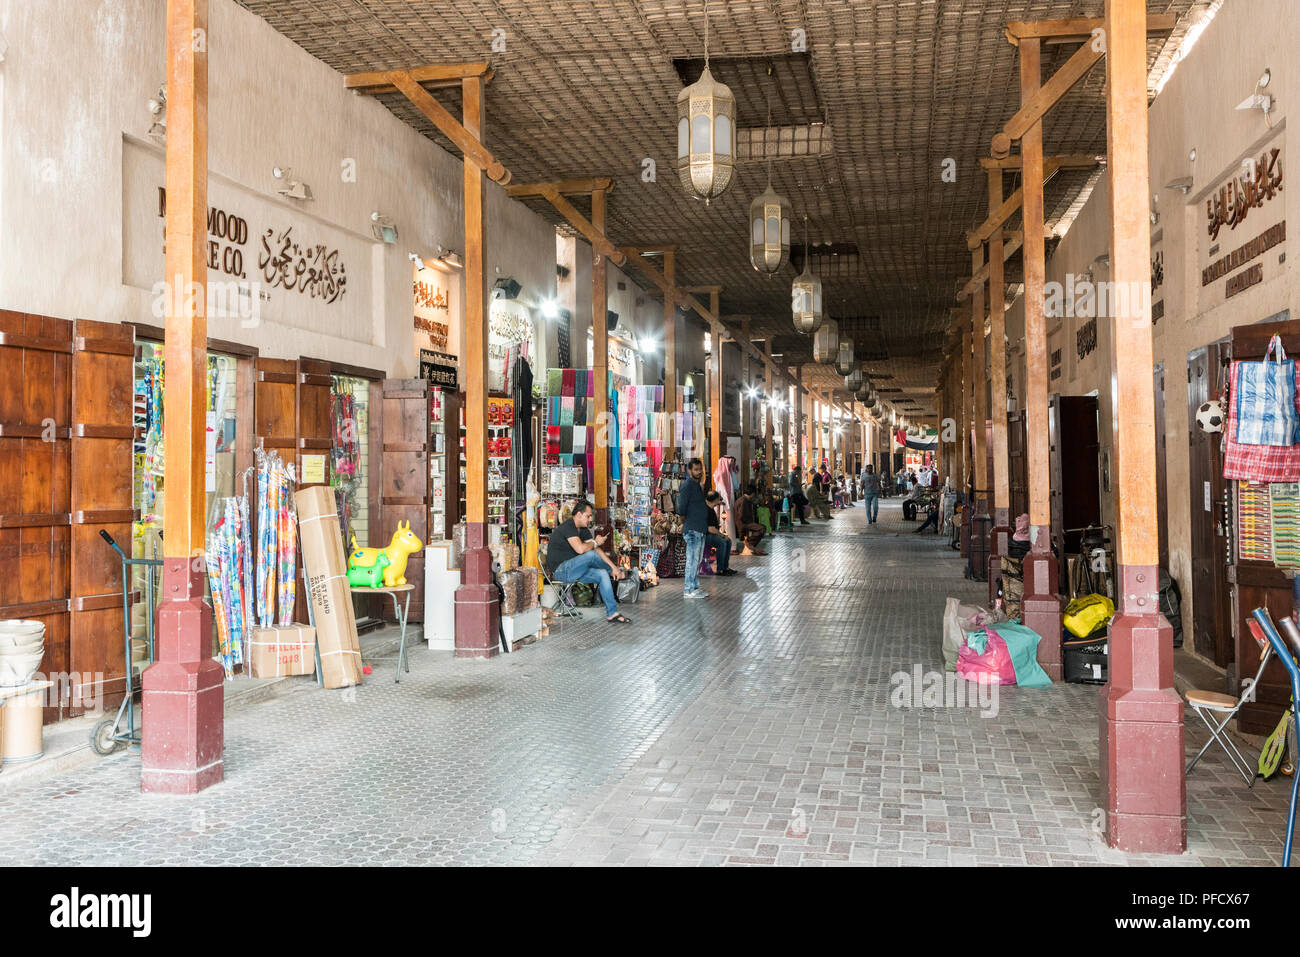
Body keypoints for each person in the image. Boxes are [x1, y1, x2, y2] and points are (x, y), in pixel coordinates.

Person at [546, 499, 630, 624]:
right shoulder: (568, 526)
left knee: (602, 574)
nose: (590, 519)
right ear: (579, 514)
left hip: (575, 570)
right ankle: (613, 572)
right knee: (590, 555)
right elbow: (581, 549)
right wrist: (595, 542)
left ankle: (612, 613)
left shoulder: (583, 529)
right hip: (561, 571)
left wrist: (614, 567)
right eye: (588, 516)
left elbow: (597, 550)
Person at [676, 457, 710, 598]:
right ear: (690, 471)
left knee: (697, 559)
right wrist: (685, 522)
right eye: (696, 469)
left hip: (699, 528)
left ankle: (694, 587)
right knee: (692, 559)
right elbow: (681, 508)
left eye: (700, 469)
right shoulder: (687, 486)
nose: (699, 472)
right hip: (692, 529)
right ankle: (688, 589)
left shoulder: (697, 486)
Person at [704, 490, 737, 576]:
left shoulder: (710, 509)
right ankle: (720, 569)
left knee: (728, 541)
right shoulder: (707, 510)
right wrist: (722, 535)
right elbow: (710, 529)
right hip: (705, 535)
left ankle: (725, 567)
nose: (720, 501)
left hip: (711, 534)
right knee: (722, 542)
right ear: (715, 500)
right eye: (719, 499)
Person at [736, 483, 767, 554]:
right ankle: (749, 543)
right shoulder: (743, 501)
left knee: (761, 527)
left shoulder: (744, 500)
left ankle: (750, 544)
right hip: (743, 524)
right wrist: (751, 523)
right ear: (752, 494)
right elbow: (742, 516)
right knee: (762, 528)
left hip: (745, 522)